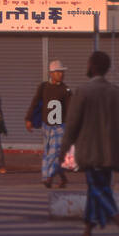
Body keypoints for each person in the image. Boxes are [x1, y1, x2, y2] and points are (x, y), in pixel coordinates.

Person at [60, 51, 119, 236]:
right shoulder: (116, 93)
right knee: (96, 192)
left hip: (90, 154)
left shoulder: (83, 91)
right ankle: (87, 234)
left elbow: (72, 125)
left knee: (98, 191)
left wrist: (62, 152)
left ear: (92, 66)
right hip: (110, 154)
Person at [26, 60, 71, 189]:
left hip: (60, 126)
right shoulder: (43, 87)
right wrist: (28, 119)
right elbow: (35, 102)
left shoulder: (65, 89)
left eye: (62, 72)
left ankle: (48, 177)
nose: (61, 74)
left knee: (54, 152)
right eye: (58, 72)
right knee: (48, 152)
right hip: (46, 125)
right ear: (51, 73)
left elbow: (71, 108)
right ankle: (63, 178)